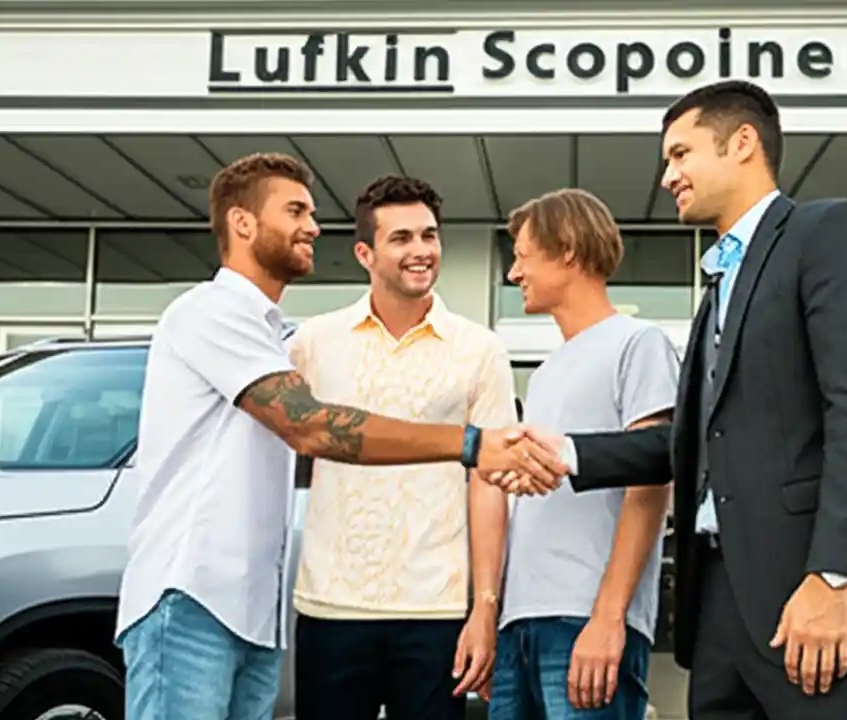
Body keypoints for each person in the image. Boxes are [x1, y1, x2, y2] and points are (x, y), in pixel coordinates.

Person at [502, 80, 847, 718]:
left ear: (743, 144)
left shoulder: (828, 232)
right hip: (720, 613)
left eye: (680, 154)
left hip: (807, 598)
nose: (667, 174)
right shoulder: (719, 287)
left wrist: (833, 576)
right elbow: (691, 445)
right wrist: (567, 452)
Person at [113, 153, 557, 720]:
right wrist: (470, 444)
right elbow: (312, 428)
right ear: (243, 223)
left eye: (430, 235)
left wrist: (484, 603)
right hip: (192, 596)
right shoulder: (215, 314)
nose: (313, 227)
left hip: (256, 612)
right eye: (296, 210)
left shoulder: (272, 335)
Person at [286, 175, 514, 720]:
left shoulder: (479, 350)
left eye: (429, 236)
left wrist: (485, 608)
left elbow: (488, 481)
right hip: (331, 606)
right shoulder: (313, 343)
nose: (421, 251)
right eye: (402, 238)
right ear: (365, 252)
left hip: (435, 608)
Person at [487, 188, 677, 720]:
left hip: (585, 623)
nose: (513, 274)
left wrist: (609, 616)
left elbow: (652, 480)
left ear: (567, 249)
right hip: (520, 627)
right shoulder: (545, 375)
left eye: (522, 256)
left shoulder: (638, 343)